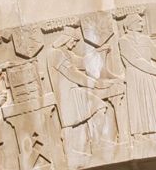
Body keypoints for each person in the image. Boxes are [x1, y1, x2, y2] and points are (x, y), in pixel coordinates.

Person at [45, 27, 113, 157]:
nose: (75, 43)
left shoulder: (65, 53)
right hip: (67, 94)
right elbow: (72, 73)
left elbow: (82, 62)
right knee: (71, 123)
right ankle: (71, 151)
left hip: (74, 91)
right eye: (74, 40)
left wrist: (98, 51)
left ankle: (97, 143)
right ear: (66, 39)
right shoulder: (55, 54)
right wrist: (95, 83)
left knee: (98, 109)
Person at [119, 14, 156, 140]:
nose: (142, 24)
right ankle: (138, 135)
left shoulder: (145, 39)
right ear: (131, 23)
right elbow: (136, 60)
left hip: (149, 76)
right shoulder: (124, 41)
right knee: (137, 104)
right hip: (135, 75)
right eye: (139, 22)